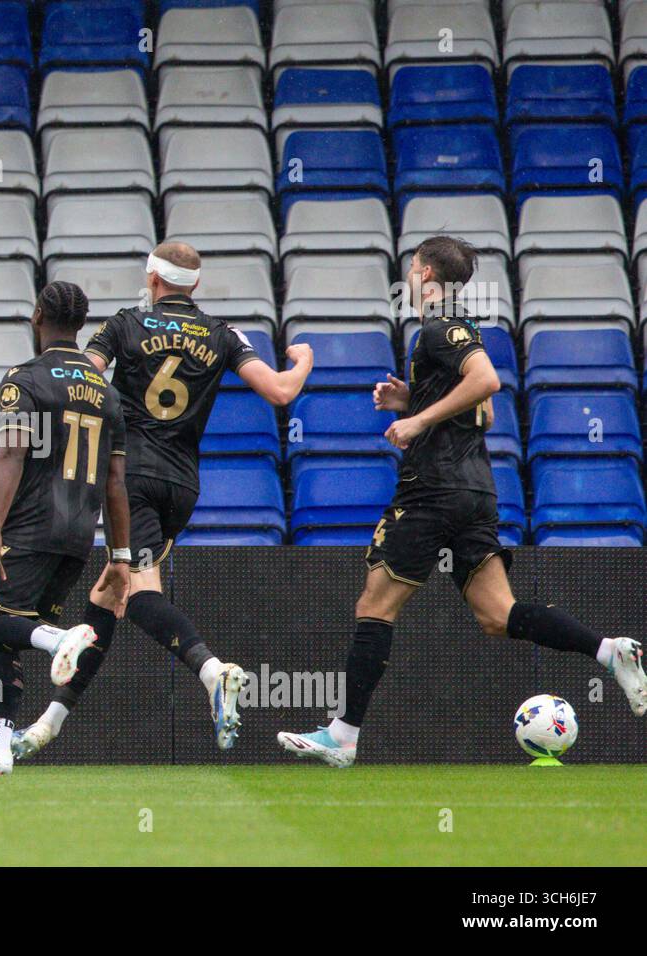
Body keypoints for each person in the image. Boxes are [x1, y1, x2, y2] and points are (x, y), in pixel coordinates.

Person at [277, 235, 646, 767]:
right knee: (499, 614)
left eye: (411, 267)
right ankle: (609, 651)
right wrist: (415, 397)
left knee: (375, 606)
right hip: (476, 489)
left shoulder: (439, 325)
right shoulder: (462, 326)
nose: (407, 275)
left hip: (432, 487)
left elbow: (487, 380)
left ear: (426, 272)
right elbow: (487, 411)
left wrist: (418, 418)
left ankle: (343, 736)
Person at [13, 243, 314, 759]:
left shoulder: (126, 324)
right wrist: (304, 358)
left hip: (130, 479)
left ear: (152, 279)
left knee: (133, 592)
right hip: (183, 486)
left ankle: (211, 671)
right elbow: (283, 393)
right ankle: (47, 725)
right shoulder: (223, 334)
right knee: (109, 597)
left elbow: (81, 377)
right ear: (194, 286)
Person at [0, 281, 131, 775]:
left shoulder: (25, 378)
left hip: (29, 529)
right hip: (78, 537)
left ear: (37, 316)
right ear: (80, 325)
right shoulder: (107, 392)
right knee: (6, 635)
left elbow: (11, 451)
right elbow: (116, 481)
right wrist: (120, 557)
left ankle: (58, 641)